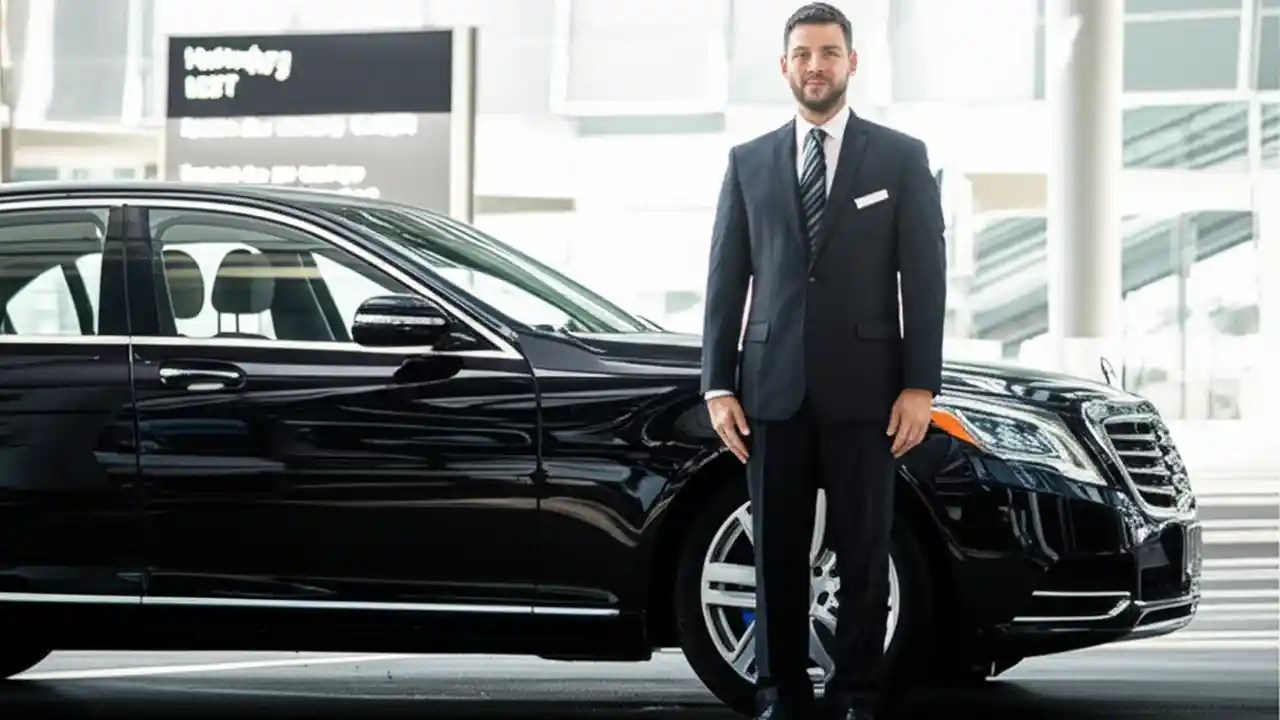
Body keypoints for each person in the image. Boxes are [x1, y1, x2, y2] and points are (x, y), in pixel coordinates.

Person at [700, 3, 946, 719]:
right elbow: (726, 281)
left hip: (870, 396)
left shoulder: (900, 158)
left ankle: (858, 694)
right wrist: (718, 384)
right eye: (803, 53)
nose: (816, 65)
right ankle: (779, 693)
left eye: (829, 52)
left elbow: (924, 281)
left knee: (865, 552)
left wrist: (920, 385)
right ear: (785, 66)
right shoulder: (747, 163)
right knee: (776, 555)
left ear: (852, 62)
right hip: (769, 394)